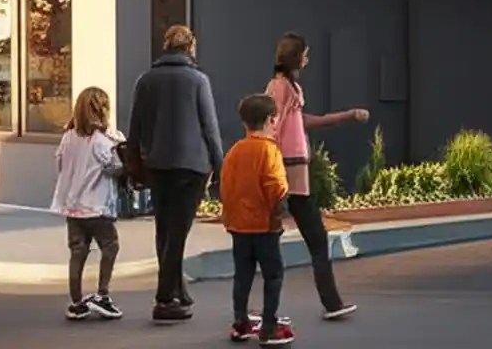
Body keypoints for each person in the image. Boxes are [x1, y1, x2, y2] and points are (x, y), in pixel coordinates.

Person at [266, 31, 368, 320]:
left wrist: (347, 115)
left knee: (308, 240)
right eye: (305, 54)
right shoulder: (280, 88)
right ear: (296, 57)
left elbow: (302, 122)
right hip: (286, 174)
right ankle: (325, 304)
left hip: (295, 173)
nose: (308, 59)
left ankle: (330, 303)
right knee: (279, 241)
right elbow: (272, 128)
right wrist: (271, 167)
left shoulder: (290, 88)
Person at [129, 25, 224, 323]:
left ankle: (177, 290)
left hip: (158, 164)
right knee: (178, 231)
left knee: (165, 230)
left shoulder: (146, 80)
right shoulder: (198, 80)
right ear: (190, 47)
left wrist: (134, 165)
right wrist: (221, 168)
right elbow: (210, 127)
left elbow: (135, 127)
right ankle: (164, 298)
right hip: (192, 166)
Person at [221, 93, 296, 345]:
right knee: (273, 275)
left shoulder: (234, 151)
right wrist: (282, 213)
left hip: (239, 226)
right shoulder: (269, 150)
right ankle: (269, 327)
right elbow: (275, 186)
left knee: (242, 276)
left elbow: (226, 188)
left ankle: (240, 323)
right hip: (265, 226)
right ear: (271, 120)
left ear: (244, 122)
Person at [51, 86, 125, 321]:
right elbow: (113, 168)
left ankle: (76, 302)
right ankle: (102, 295)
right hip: (96, 206)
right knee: (110, 246)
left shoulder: (68, 137)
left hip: (72, 205)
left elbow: (60, 165)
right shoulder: (101, 141)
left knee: (77, 251)